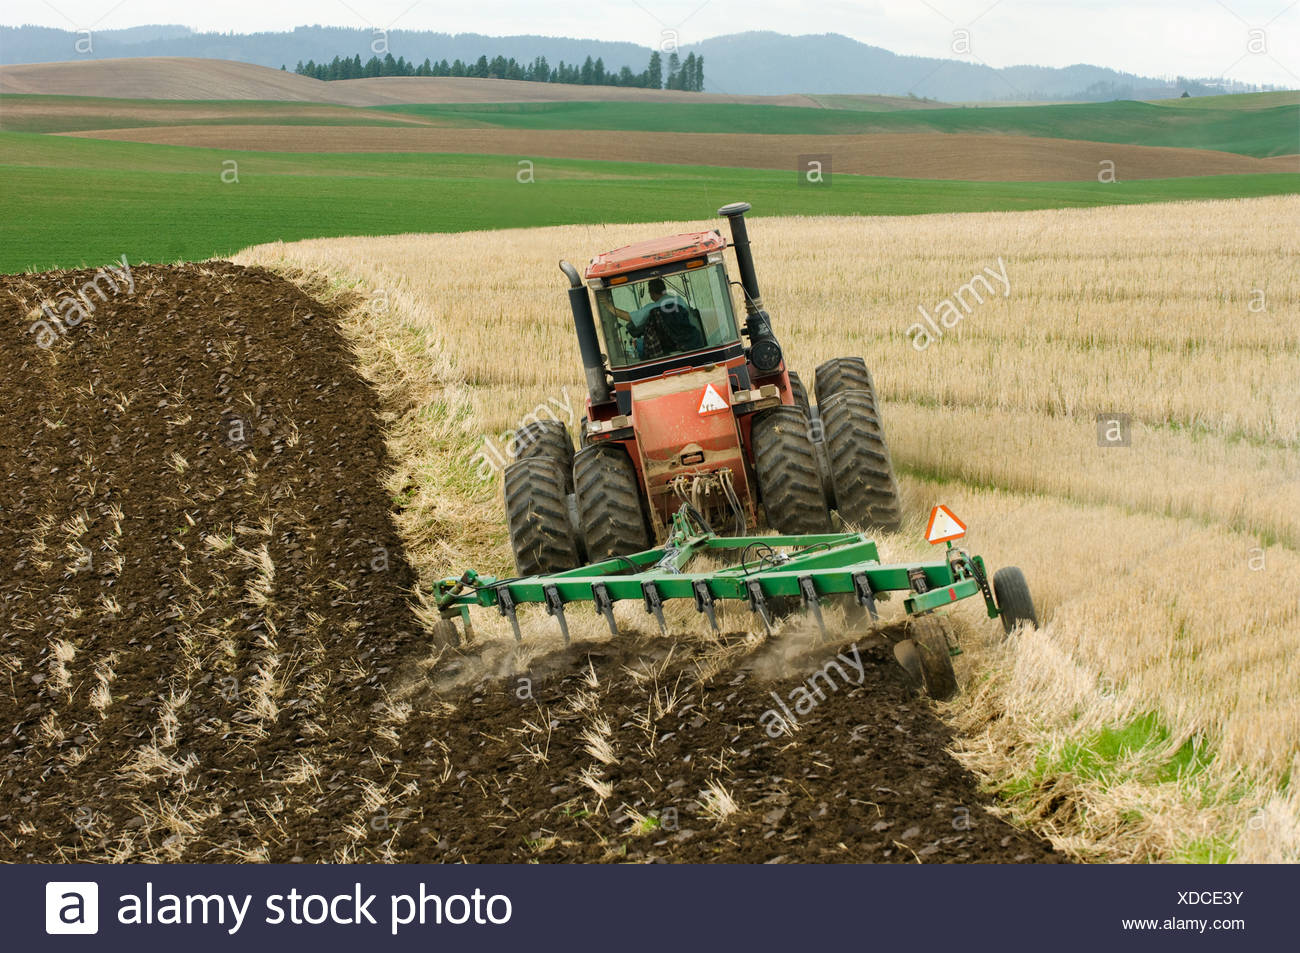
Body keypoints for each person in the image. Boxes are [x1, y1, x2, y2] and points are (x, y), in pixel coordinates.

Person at [608, 278, 702, 358]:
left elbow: (629, 317)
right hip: (692, 344)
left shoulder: (651, 308)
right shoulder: (680, 301)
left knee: (640, 344)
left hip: (665, 351)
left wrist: (609, 307)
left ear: (652, 293)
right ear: (664, 289)